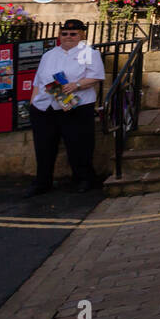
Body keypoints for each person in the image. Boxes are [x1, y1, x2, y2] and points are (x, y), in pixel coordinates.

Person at [24, 20, 106, 196]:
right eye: (65, 34)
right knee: (44, 146)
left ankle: (84, 179)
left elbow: (96, 76)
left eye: (73, 34)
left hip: (76, 105)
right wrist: (33, 103)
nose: (68, 37)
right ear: (59, 35)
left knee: (79, 145)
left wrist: (75, 85)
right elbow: (38, 80)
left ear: (82, 35)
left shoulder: (88, 53)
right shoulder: (49, 54)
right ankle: (42, 181)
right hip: (45, 106)